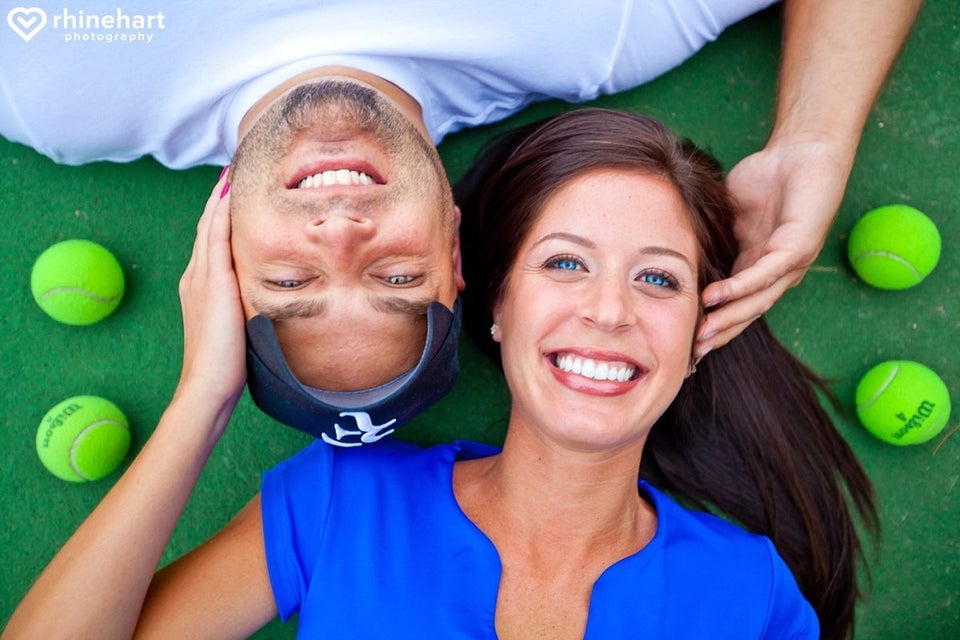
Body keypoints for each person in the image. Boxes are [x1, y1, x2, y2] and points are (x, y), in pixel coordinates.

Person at [2, 109, 877, 639]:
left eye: (658, 279)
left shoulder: (752, 595)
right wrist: (205, 398)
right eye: (566, 265)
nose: (610, 311)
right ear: (495, 305)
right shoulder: (342, 503)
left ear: (700, 331)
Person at [0, 0, 923, 395]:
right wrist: (814, 136)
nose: (341, 234)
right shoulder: (599, 33)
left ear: (221, 259)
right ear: (455, 246)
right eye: (396, 275)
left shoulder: (55, 87)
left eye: (290, 280)